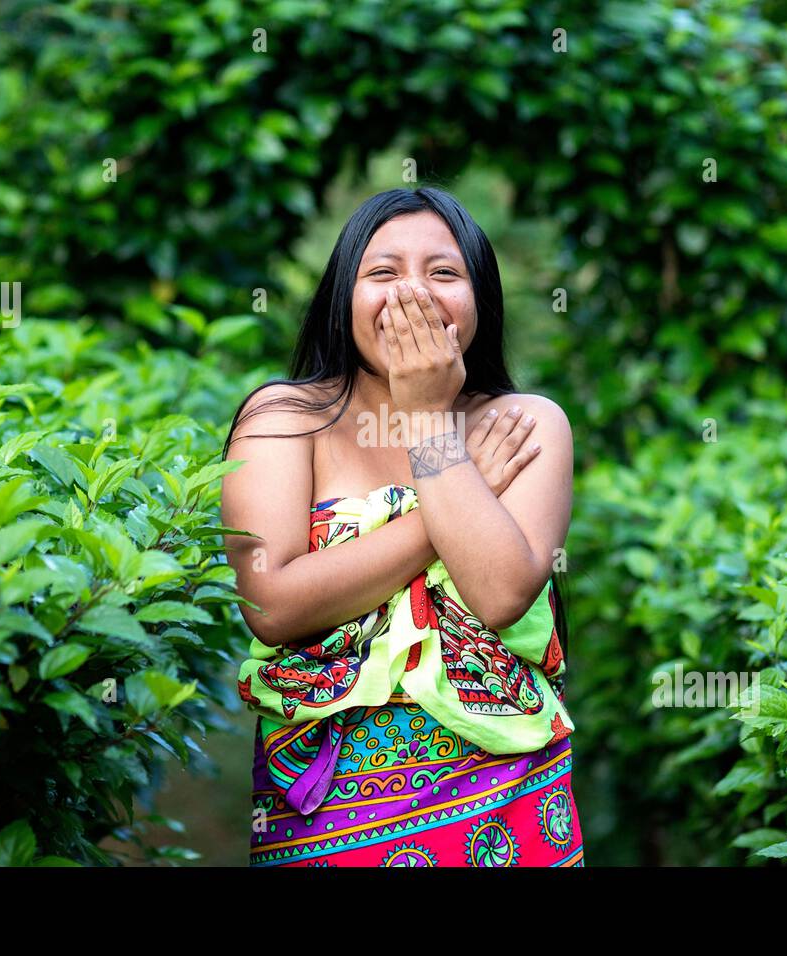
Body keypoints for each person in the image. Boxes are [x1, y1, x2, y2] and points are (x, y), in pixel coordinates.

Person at [221, 185, 584, 866]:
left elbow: (501, 593)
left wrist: (426, 423)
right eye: (382, 273)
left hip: (511, 810)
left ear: (481, 302)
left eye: (444, 273)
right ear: (341, 299)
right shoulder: (283, 419)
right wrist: (443, 508)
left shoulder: (528, 425)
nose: (411, 293)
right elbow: (272, 605)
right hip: (326, 816)